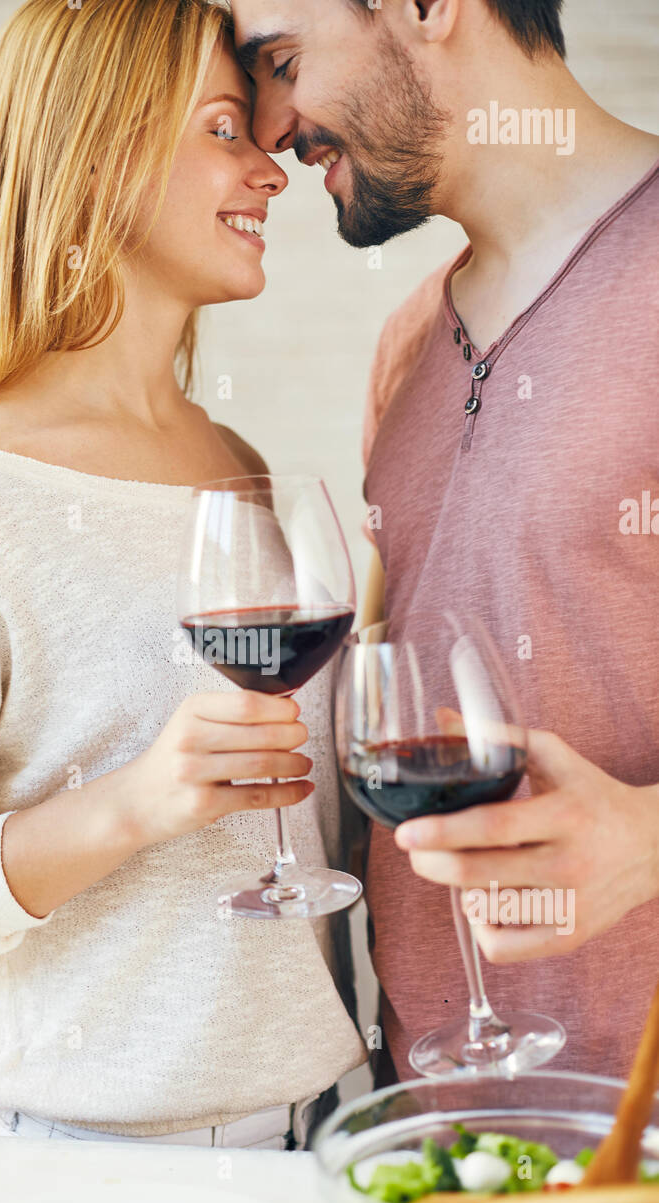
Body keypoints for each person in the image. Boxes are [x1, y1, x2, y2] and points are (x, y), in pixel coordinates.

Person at [0, 0, 367, 1148]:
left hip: (312, 1123)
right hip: (101, 1157)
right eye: (225, 128)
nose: (269, 169)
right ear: (97, 149)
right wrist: (130, 805)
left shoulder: (235, 467)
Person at [230, 0, 659, 1080]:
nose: (273, 125)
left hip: (628, 1139)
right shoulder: (408, 339)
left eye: (283, 61)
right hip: (431, 1110)